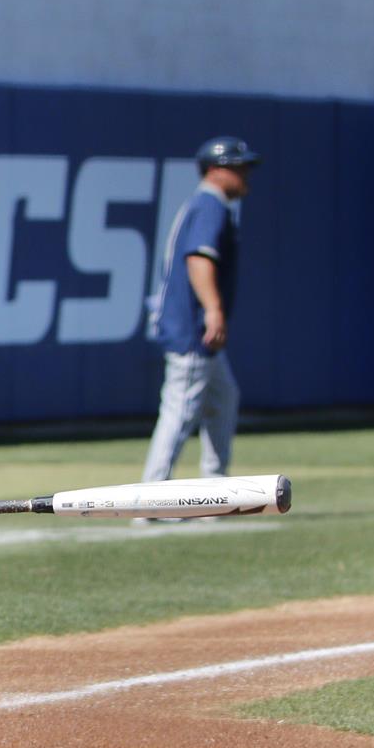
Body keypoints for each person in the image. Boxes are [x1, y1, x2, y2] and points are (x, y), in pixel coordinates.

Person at [142, 136, 256, 486]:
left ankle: (216, 487)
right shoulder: (210, 206)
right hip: (193, 329)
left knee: (224, 398)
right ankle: (150, 497)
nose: (245, 174)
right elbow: (198, 259)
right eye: (239, 167)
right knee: (179, 412)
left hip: (193, 330)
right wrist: (213, 310)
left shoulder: (206, 205)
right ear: (217, 170)